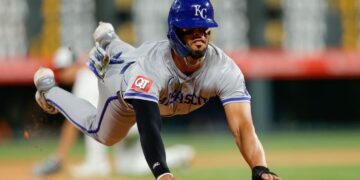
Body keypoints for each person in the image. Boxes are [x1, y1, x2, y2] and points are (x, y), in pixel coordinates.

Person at [33, 0, 281, 179]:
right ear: (175, 32)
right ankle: (48, 90)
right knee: (103, 134)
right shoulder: (149, 70)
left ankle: (110, 39)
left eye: (203, 29)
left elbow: (242, 127)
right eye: (190, 30)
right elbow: (148, 124)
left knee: (133, 56)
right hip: (122, 84)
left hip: (141, 60)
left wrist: (260, 168)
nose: (199, 36)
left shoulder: (224, 69)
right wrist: (162, 172)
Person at [33, 47, 194, 177]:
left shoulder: (85, 80)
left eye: (63, 69)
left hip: (124, 120)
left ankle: (97, 164)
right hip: (136, 118)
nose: (61, 73)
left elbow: (73, 123)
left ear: (75, 65)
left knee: (91, 122)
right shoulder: (89, 76)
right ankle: (180, 155)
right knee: (129, 166)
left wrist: (59, 157)